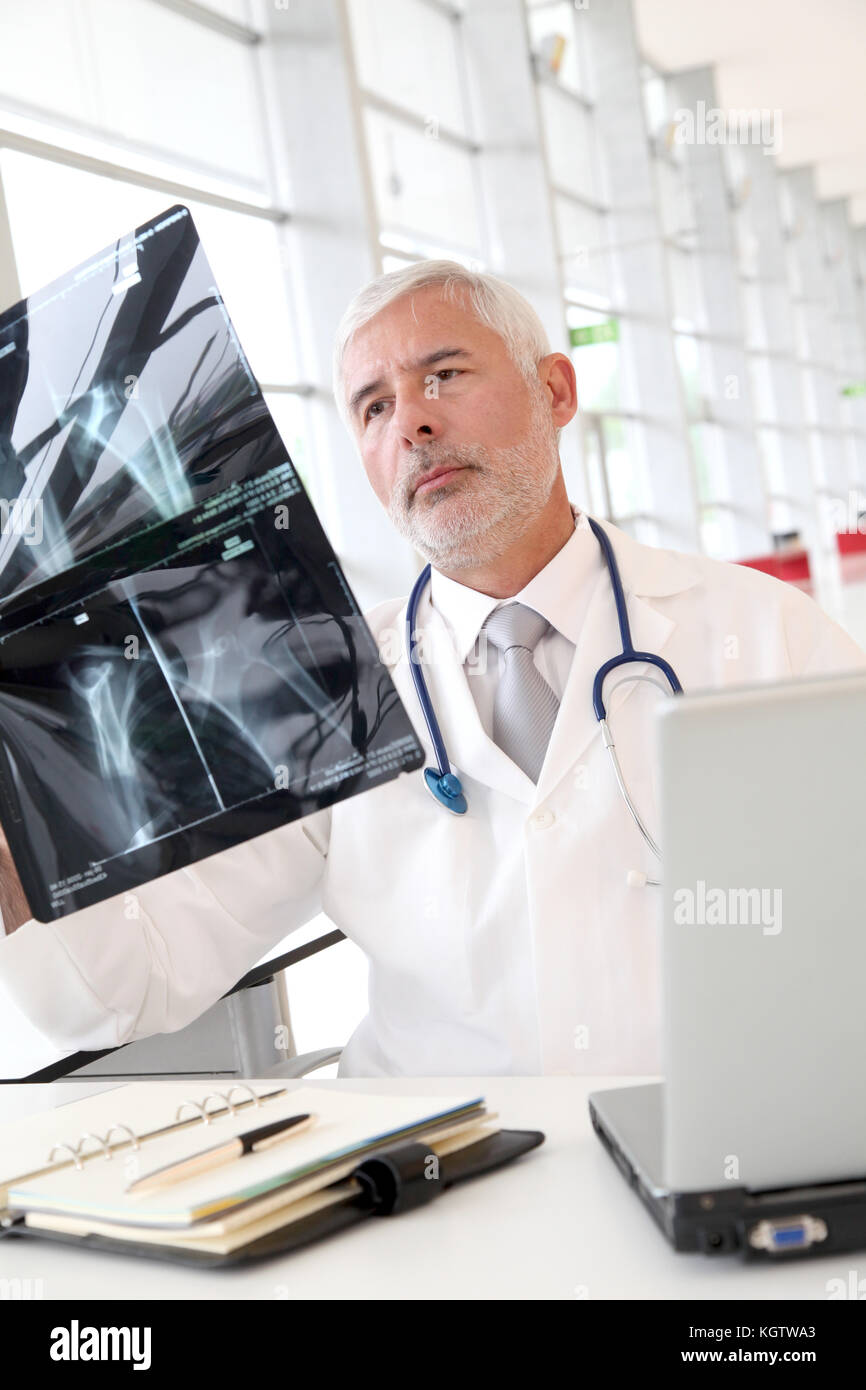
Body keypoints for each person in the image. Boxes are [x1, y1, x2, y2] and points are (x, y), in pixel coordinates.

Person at [0, 260, 863, 1078]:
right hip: (442, 1184)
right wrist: (18, 843)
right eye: (372, 408)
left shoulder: (765, 633)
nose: (410, 422)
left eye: (444, 376)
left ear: (555, 391)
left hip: (714, 1159)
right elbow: (135, 981)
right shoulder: (324, 687)